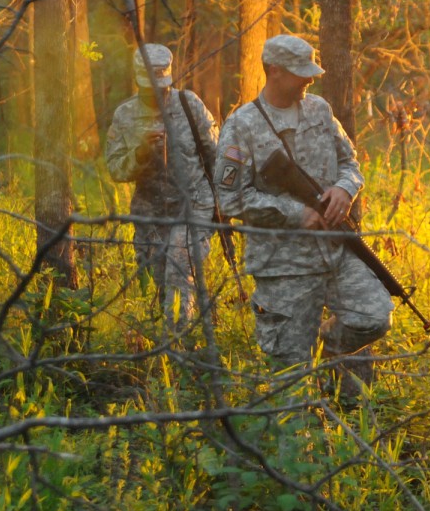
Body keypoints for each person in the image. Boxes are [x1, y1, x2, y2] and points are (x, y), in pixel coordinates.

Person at [214, 34, 392, 399]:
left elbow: (350, 162)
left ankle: (327, 346)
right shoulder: (241, 126)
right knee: (291, 375)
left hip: (335, 250)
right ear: (275, 72)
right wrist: (296, 214)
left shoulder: (320, 111)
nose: (310, 79)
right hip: (283, 263)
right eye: (300, 73)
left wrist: (345, 188)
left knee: (374, 316)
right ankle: (300, 444)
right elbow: (229, 198)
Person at [105, 43, 219, 330]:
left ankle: (179, 347)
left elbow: (215, 154)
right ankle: (192, 331)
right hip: (151, 211)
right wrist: (140, 153)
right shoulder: (125, 116)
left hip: (192, 204)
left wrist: (225, 203)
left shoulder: (189, 105)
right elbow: (116, 169)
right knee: (160, 281)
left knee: (179, 273)